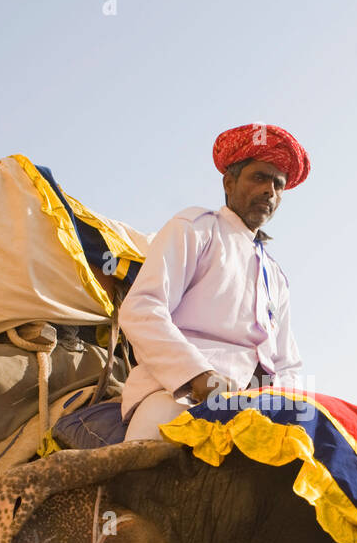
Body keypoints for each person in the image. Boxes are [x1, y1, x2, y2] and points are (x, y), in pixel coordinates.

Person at [118, 123, 310, 441]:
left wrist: (284, 403)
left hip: (257, 409)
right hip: (178, 394)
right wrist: (197, 375)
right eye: (259, 177)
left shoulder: (277, 277)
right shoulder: (195, 228)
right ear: (229, 182)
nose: (270, 191)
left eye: (278, 185)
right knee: (142, 466)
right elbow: (141, 308)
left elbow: (288, 363)